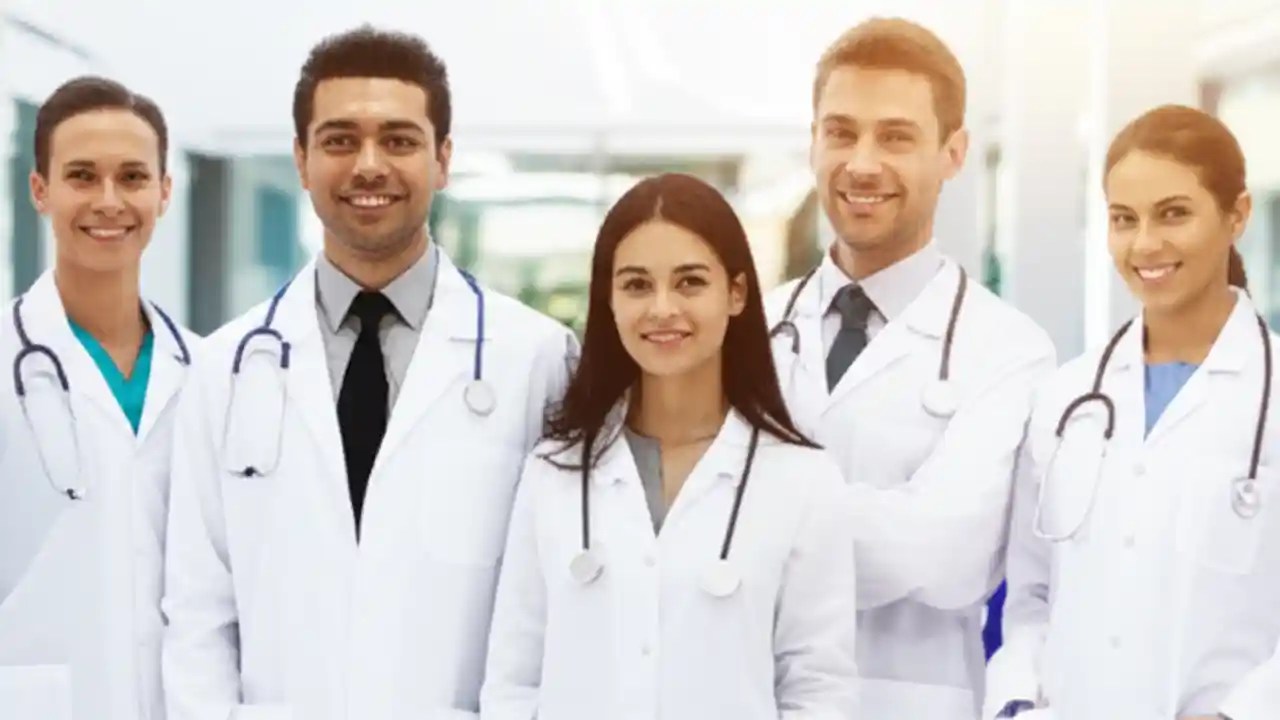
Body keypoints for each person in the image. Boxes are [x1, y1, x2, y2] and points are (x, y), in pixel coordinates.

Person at [161, 26, 577, 720]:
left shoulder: (535, 358)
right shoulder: (224, 368)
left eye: (400, 139)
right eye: (340, 140)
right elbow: (197, 613)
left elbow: (557, 607)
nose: (369, 165)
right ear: (300, 159)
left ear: (443, 159)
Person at [479, 172, 858, 720]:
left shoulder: (800, 480)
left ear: (736, 293)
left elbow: (819, 693)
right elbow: (513, 685)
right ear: (607, 299)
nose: (662, 309)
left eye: (689, 282)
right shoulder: (555, 472)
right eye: (636, 285)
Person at [764, 17, 1058, 719]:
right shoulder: (746, 330)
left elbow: (944, 555)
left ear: (953, 153)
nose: (862, 162)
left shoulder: (1011, 351)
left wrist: (751, 513)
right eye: (840, 132)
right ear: (812, 143)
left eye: (896, 136)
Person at [985, 105, 1280, 719]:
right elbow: (1032, 598)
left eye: (1174, 214)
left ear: (1238, 216)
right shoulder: (1067, 399)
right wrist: (1017, 703)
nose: (1145, 244)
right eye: (1124, 219)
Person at [0, 76, 197, 720]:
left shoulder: (209, 372)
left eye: (133, 177)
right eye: (82, 176)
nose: (109, 201)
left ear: (164, 192)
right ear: (40, 191)